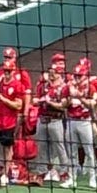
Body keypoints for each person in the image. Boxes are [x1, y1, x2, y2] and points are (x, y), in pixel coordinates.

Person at [0, 47, 30, 189]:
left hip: (10, 120)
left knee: (8, 147)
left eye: (9, 58)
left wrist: (24, 113)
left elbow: (21, 100)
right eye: (5, 58)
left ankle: (7, 174)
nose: (7, 60)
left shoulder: (21, 78)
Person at [65, 58, 97, 189]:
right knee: (72, 151)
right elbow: (63, 104)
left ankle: (92, 178)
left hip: (84, 122)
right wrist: (69, 98)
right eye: (76, 76)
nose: (77, 78)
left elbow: (92, 104)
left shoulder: (91, 87)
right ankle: (72, 178)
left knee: (89, 150)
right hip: (71, 121)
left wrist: (80, 97)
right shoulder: (69, 87)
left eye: (79, 76)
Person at [37, 54, 71, 185]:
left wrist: (50, 103)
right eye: (50, 72)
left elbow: (63, 107)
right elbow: (36, 99)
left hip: (55, 121)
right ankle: (43, 171)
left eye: (54, 73)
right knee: (42, 146)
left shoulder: (63, 87)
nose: (51, 75)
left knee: (59, 147)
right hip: (42, 120)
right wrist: (39, 101)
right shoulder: (43, 86)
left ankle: (64, 171)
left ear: (59, 74)